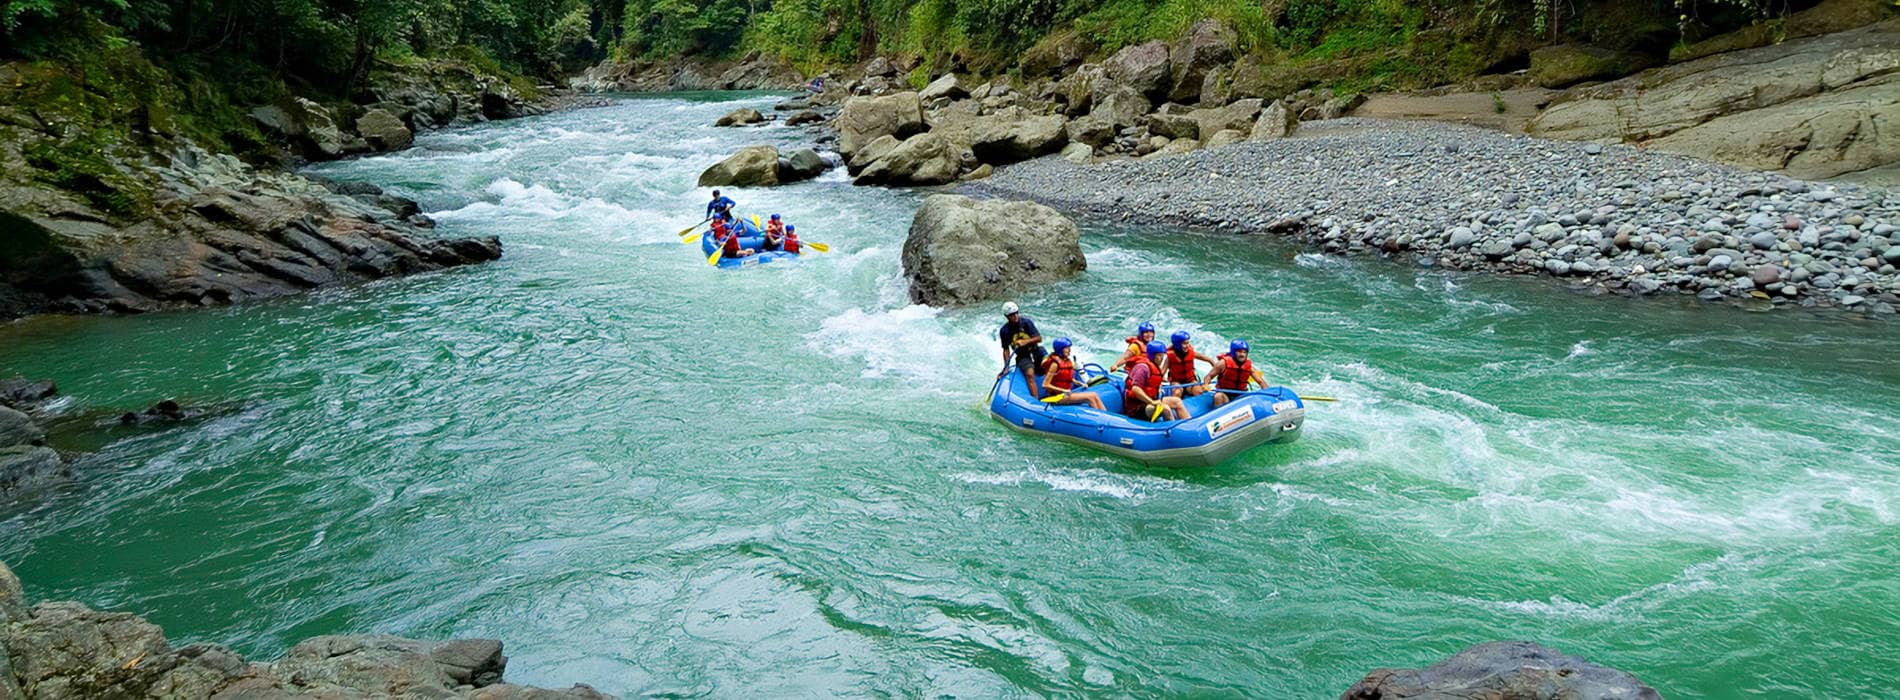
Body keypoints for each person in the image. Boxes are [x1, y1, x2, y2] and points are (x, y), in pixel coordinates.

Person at [1124, 340, 1190, 422]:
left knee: (1177, 401)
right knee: (1165, 408)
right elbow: (1135, 389)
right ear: (1152, 355)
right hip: (1137, 407)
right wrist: (1151, 402)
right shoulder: (1142, 368)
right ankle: (1172, 431)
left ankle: (1189, 424)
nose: (1161, 359)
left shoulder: (1154, 366)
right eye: (1159, 356)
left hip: (1150, 401)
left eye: (1163, 356)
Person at [997, 301, 1047, 399]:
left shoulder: (1026, 323)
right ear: (1007, 317)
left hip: (1036, 350)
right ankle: (1036, 400)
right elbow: (1006, 350)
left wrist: (1026, 341)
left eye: (1016, 313)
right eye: (1012, 315)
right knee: (1029, 374)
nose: (1015, 316)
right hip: (1022, 356)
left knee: (1051, 365)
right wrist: (1006, 367)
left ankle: (1055, 391)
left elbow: (1039, 338)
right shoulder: (1004, 331)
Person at [1040, 338, 1106, 410]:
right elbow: (1045, 385)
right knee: (1090, 397)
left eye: (1069, 348)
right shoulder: (1054, 364)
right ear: (1060, 349)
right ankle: (1099, 418)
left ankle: (1105, 416)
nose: (1069, 350)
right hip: (1056, 397)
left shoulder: (1066, 361)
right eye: (1066, 348)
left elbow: (1065, 378)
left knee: (1094, 395)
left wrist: (1079, 383)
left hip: (1064, 395)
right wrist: (1063, 390)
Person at [1207, 339, 1269, 409]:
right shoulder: (1223, 363)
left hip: (1241, 395)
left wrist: (1267, 395)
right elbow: (1209, 376)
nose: (1242, 354)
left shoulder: (1249, 367)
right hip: (1225, 393)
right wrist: (1205, 385)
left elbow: (1261, 382)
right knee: (1218, 396)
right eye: (1239, 352)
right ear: (1233, 352)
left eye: (1244, 352)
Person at [1160, 330, 1217, 399]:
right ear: (1177, 344)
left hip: (1190, 381)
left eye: (1187, 343)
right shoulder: (1170, 356)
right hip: (1177, 382)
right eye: (1184, 344)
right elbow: (1162, 371)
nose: (1187, 346)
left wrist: (1217, 370)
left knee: (1198, 391)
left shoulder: (1191, 352)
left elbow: (1209, 360)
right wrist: (1159, 382)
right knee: (1177, 392)